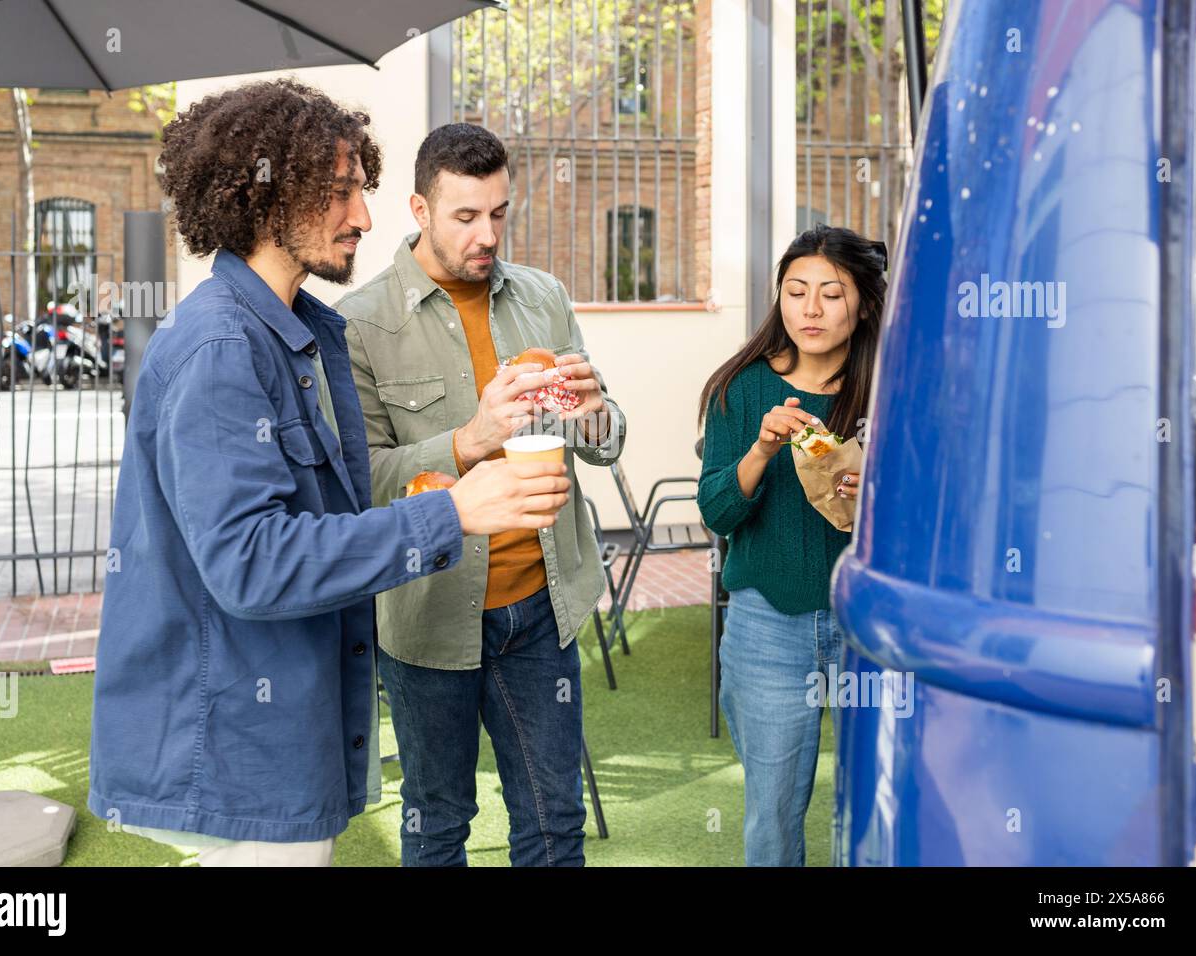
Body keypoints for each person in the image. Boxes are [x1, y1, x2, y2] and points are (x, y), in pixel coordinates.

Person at [87, 81, 571, 867]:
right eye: (341, 192)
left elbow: (312, 520)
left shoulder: (298, 332)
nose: (364, 216)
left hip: (278, 732)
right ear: (264, 199)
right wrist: (453, 516)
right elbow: (253, 563)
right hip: (237, 745)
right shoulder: (222, 348)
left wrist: (432, 494)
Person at [337, 123, 626, 867]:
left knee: (553, 822)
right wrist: (469, 438)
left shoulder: (542, 298)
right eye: (466, 216)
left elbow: (606, 436)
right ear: (419, 209)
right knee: (438, 825)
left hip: (543, 610)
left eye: (499, 213)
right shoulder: (359, 326)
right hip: (430, 615)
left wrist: (591, 410)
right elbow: (360, 481)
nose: (487, 234)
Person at [696, 223, 885, 866]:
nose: (811, 309)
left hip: (871, 625)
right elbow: (718, 512)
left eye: (832, 294)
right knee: (773, 818)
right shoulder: (741, 388)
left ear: (861, 305)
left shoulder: (891, 390)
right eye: (796, 290)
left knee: (880, 805)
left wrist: (879, 487)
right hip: (767, 627)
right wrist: (762, 448)